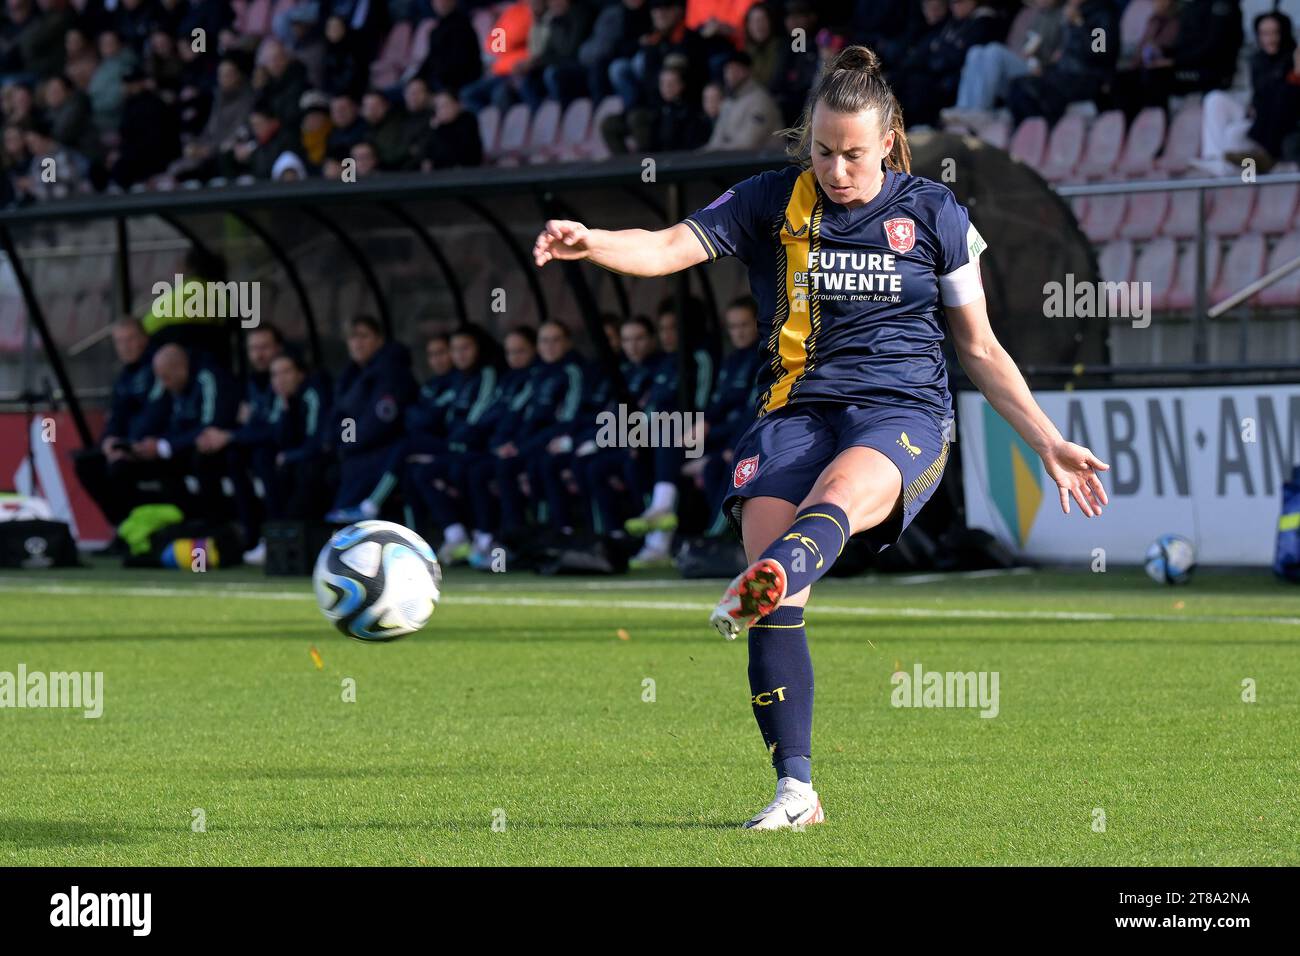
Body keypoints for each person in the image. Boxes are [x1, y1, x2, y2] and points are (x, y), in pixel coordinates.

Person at [533, 44, 1109, 830]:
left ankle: (774, 569)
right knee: (780, 602)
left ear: (889, 142)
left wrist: (1045, 439)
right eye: (824, 151)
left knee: (837, 496)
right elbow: (669, 247)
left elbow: (977, 346)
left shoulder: (936, 214)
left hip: (902, 415)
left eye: (854, 156)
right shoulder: (770, 202)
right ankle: (796, 790)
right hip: (796, 414)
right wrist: (591, 240)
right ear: (807, 141)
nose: (838, 169)